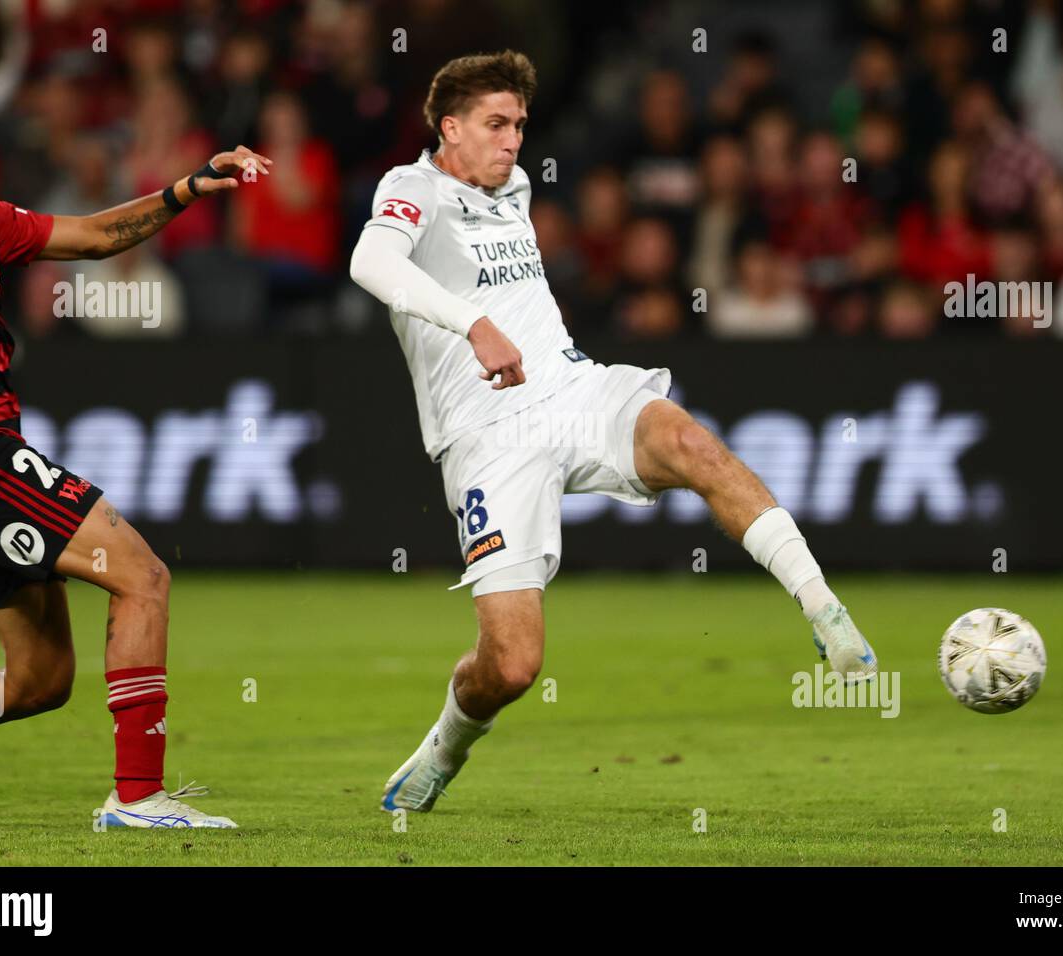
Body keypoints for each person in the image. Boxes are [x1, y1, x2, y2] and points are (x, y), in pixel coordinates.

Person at [349, 51, 878, 814]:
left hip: (571, 388)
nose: (513, 142)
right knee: (513, 665)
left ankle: (823, 607)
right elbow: (371, 261)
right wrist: (475, 326)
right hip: (487, 435)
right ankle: (447, 745)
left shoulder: (516, 185)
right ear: (449, 127)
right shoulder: (412, 188)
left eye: (521, 126)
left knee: (695, 445)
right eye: (496, 125)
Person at [0, 62, 271, 827]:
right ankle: (137, 798)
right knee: (143, 577)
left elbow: (98, 236)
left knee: (39, 680)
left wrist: (185, 188)